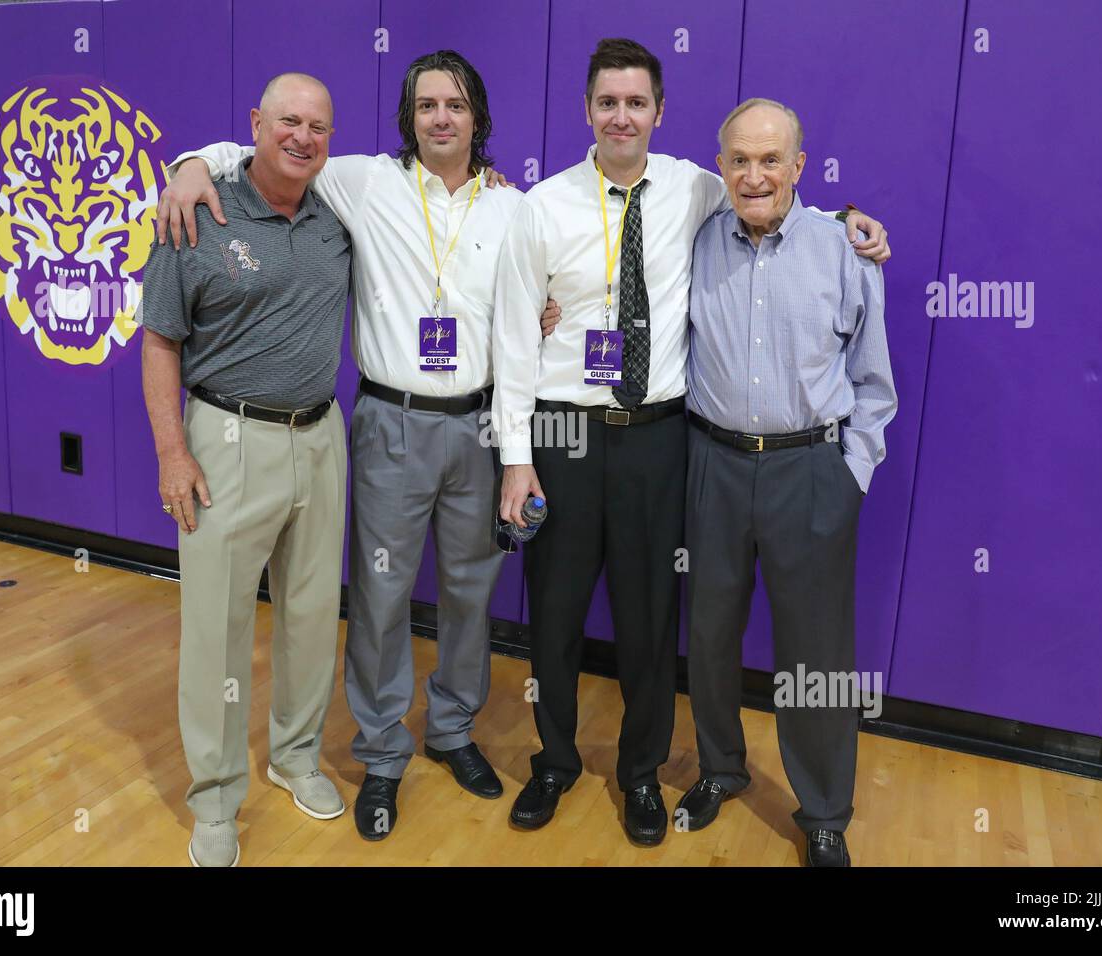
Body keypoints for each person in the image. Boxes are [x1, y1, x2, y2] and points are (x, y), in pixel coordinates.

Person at [492, 38, 890, 847]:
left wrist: (855, 222)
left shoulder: (720, 201)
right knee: (622, 626)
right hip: (617, 444)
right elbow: (510, 330)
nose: (752, 175)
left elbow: (868, 368)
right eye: (609, 102)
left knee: (715, 636)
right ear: (588, 110)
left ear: (659, 113)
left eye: (637, 103)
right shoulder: (561, 206)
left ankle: (747, 798)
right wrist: (516, 452)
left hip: (718, 451)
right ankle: (605, 763)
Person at [156, 52, 526, 842]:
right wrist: (192, 162)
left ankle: (447, 731)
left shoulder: (510, 206)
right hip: (377, 420)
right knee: (379, 599)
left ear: (476, 116)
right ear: (408, 117)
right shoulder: (360, 181)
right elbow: (259, 154)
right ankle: (370, 754)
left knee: (448, 597)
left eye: (455, 104)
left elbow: (541, 299)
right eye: (426, 104)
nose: (440, 118)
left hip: (469, 424)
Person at [139, 73, 351, 867]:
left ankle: (295, 758)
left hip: (322, 436)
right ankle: (217, 797)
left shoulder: (340, 214)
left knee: (308, 614)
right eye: (288, 121)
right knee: (217, 632)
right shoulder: (193, 210)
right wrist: (172, 452)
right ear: (255, 125)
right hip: (224, 441)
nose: (302, 137)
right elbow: (160, 341)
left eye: (318, 126)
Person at [679, 97, 897, 867]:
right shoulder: (697, 240)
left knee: (817, 655)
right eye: (739, 159)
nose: (754, 174)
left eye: (771, 159)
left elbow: (874, 383)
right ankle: (719, 769)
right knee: (707, 637)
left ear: (799, 167)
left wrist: (851, 475)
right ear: (721, 167)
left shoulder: (845, 248)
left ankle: (826, 811)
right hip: (714, 464)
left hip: (812, 471)